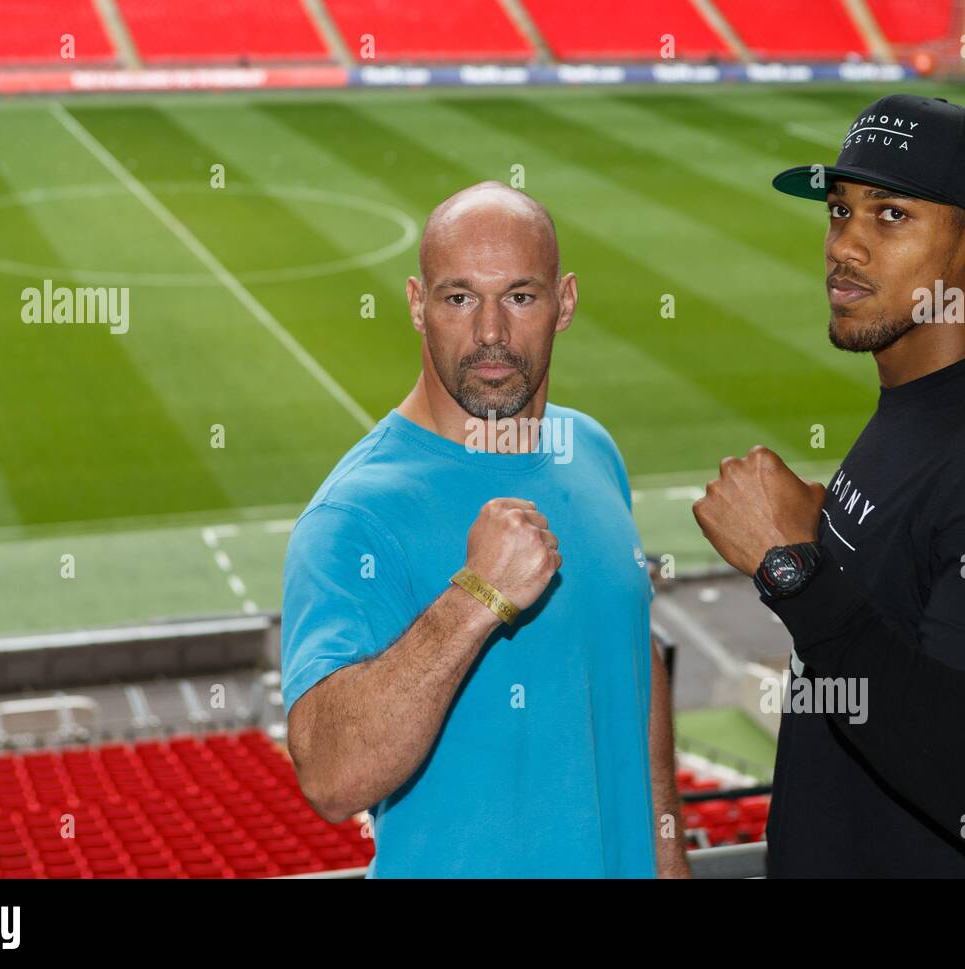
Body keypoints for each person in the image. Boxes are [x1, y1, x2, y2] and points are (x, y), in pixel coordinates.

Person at [692, 94, 965, 876]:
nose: (844, 246)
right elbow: (907, 621)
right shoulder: (926, 401)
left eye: (890, 215)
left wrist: (792, 568)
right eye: (839, 209)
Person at [281, 182, 688, 878]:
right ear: (417, 304)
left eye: (520, 296)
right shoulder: (353, 515)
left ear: (565, 303)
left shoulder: (592, 451)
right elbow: (331, 776)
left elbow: (631, 654)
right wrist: (476, 597)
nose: (490, 333)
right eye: (460, 297)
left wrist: (669, 853)